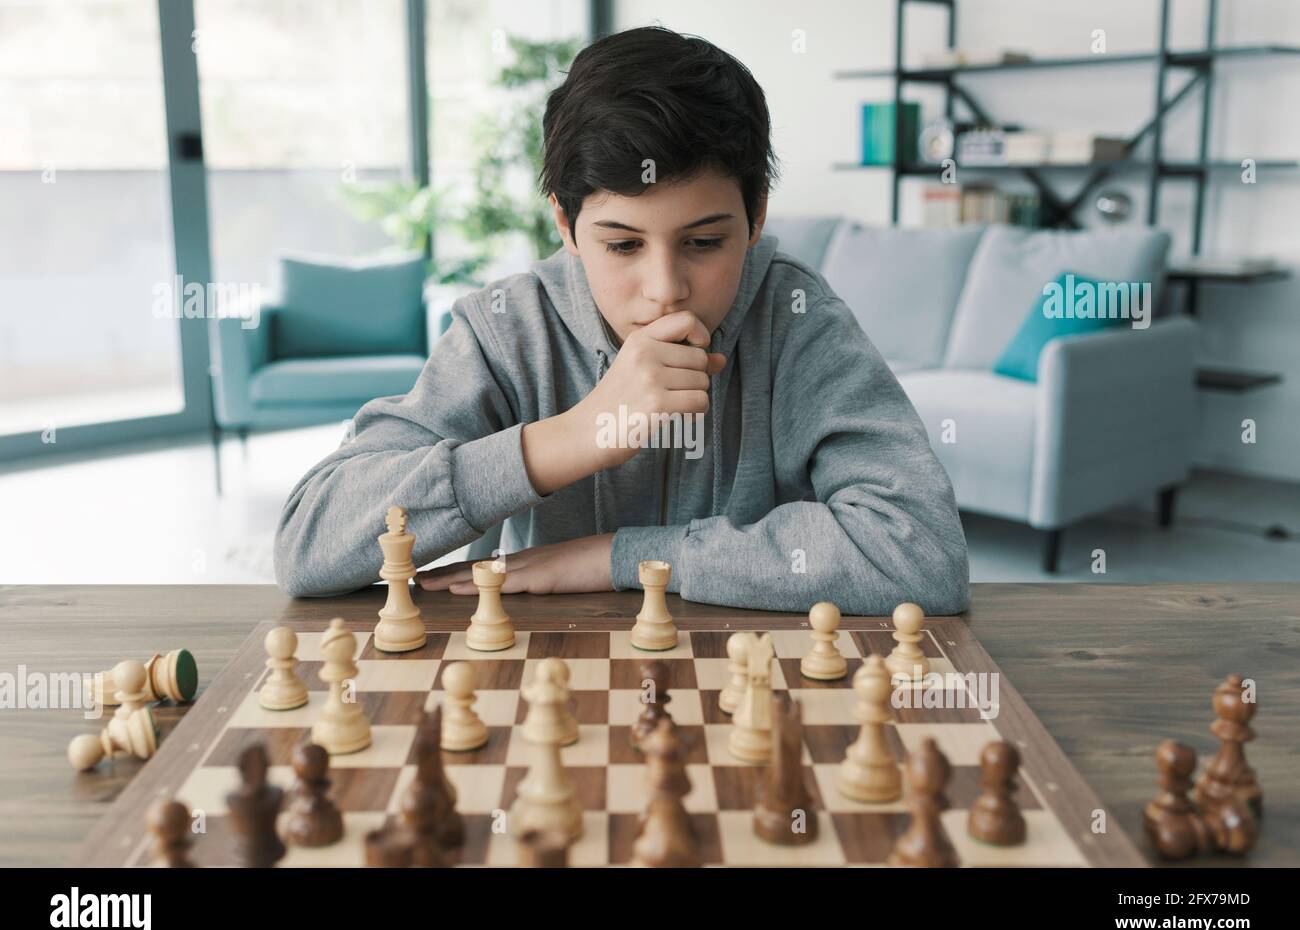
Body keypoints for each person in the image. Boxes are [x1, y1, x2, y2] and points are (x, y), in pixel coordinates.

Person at [274, 25, 969, 615]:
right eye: (623, 245)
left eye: (704, 241)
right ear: (566, 225)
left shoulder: (798, 319)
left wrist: (617, 557)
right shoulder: (507, 328)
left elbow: (926, 556)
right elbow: (308, 544)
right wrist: (572, 437)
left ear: (756, 214)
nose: (665, 290)